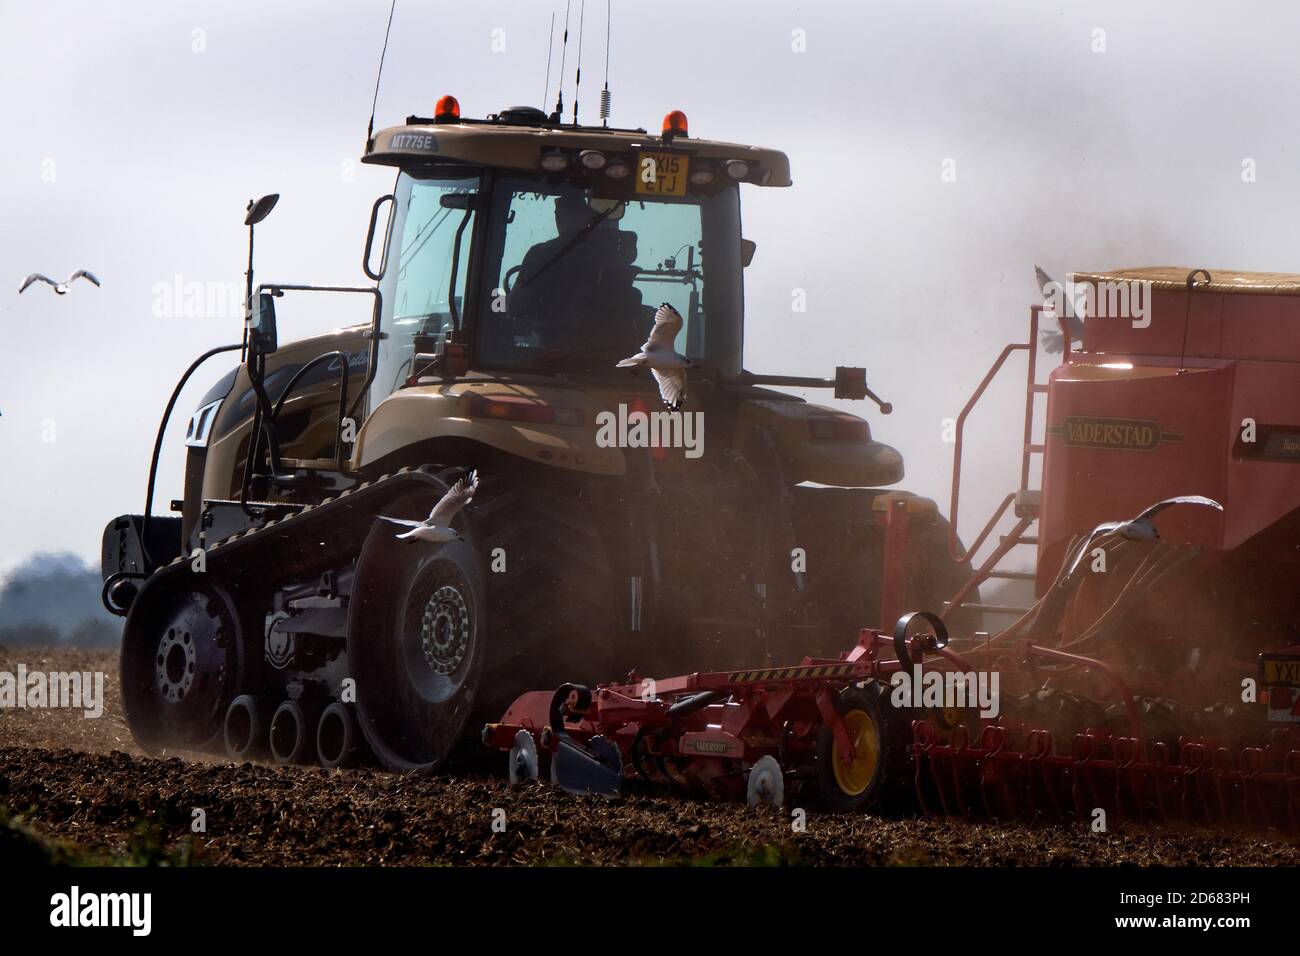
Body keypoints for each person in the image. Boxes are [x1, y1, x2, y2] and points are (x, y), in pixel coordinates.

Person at [509, 191, 644, 350]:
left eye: (558, 215)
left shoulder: (540, 253)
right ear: (587, 218)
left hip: (550, 348)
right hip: (605, 349)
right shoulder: (611, 253)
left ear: (560, 218)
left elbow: (516, 307)